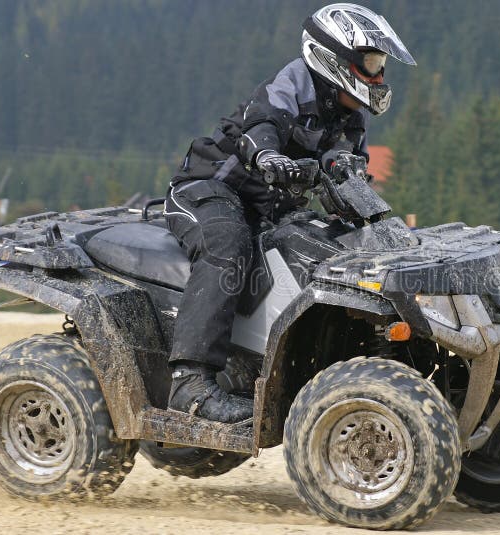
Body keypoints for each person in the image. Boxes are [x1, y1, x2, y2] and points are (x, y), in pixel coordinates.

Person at [163, 4, 416, 423]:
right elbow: (260, 127)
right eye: (370, 64)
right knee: (228, 246)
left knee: (328, 252)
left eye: (380, 65)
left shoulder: (350, 115)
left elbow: (346, 170)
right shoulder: (290, 84)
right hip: (211, 188)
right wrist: (268, 155)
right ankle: (189, 383)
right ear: (334, 59)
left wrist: (362, 209)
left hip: (270, 208)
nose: (377, 76)